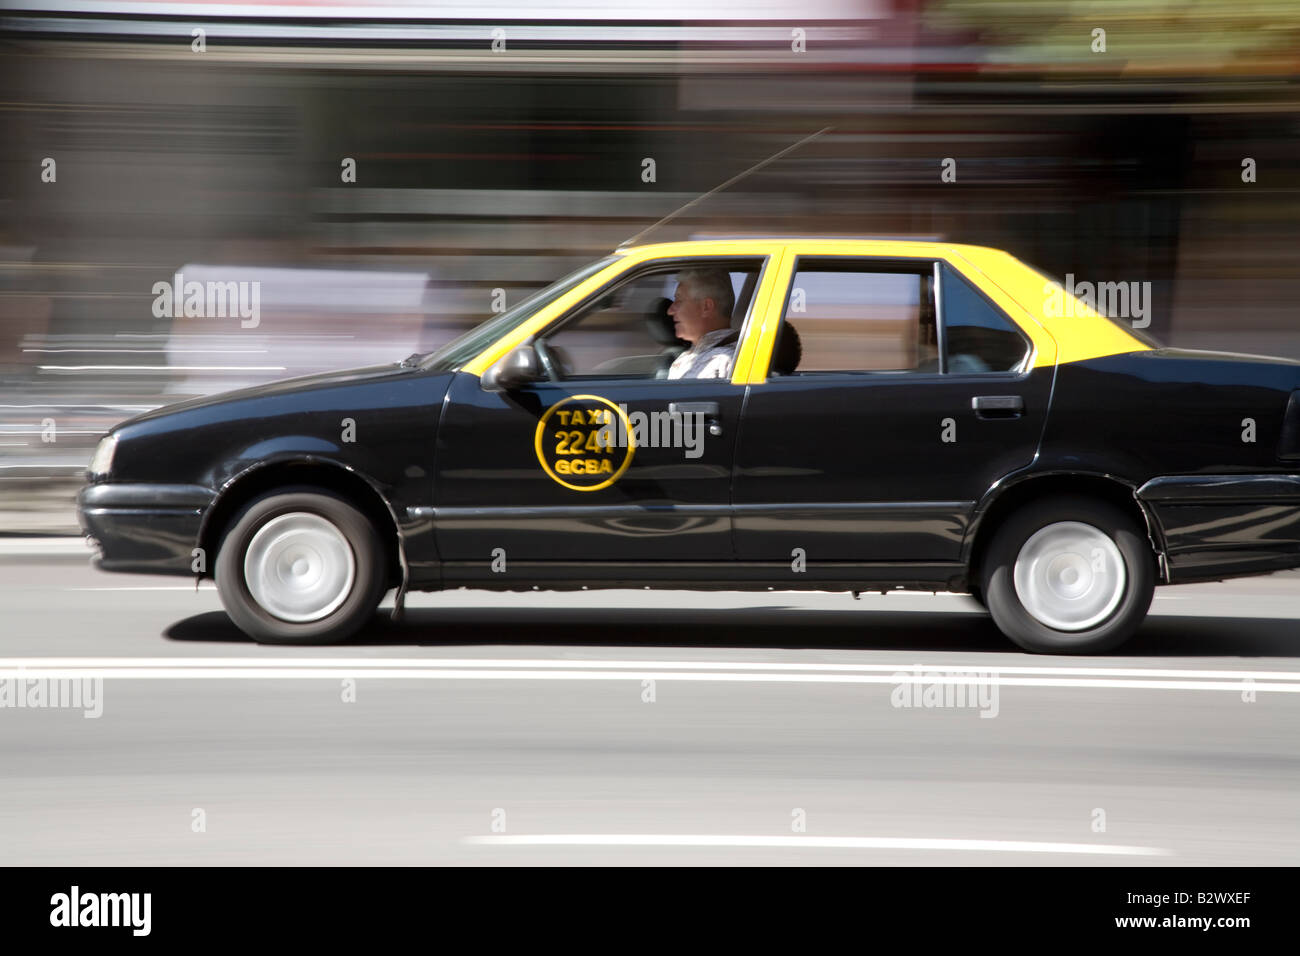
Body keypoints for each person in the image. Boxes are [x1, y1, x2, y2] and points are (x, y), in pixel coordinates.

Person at [665, 269, 737, 379]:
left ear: (706, 307)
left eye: (679, 300)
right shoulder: (692, 355)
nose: (670, 310)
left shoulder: (721, 362)